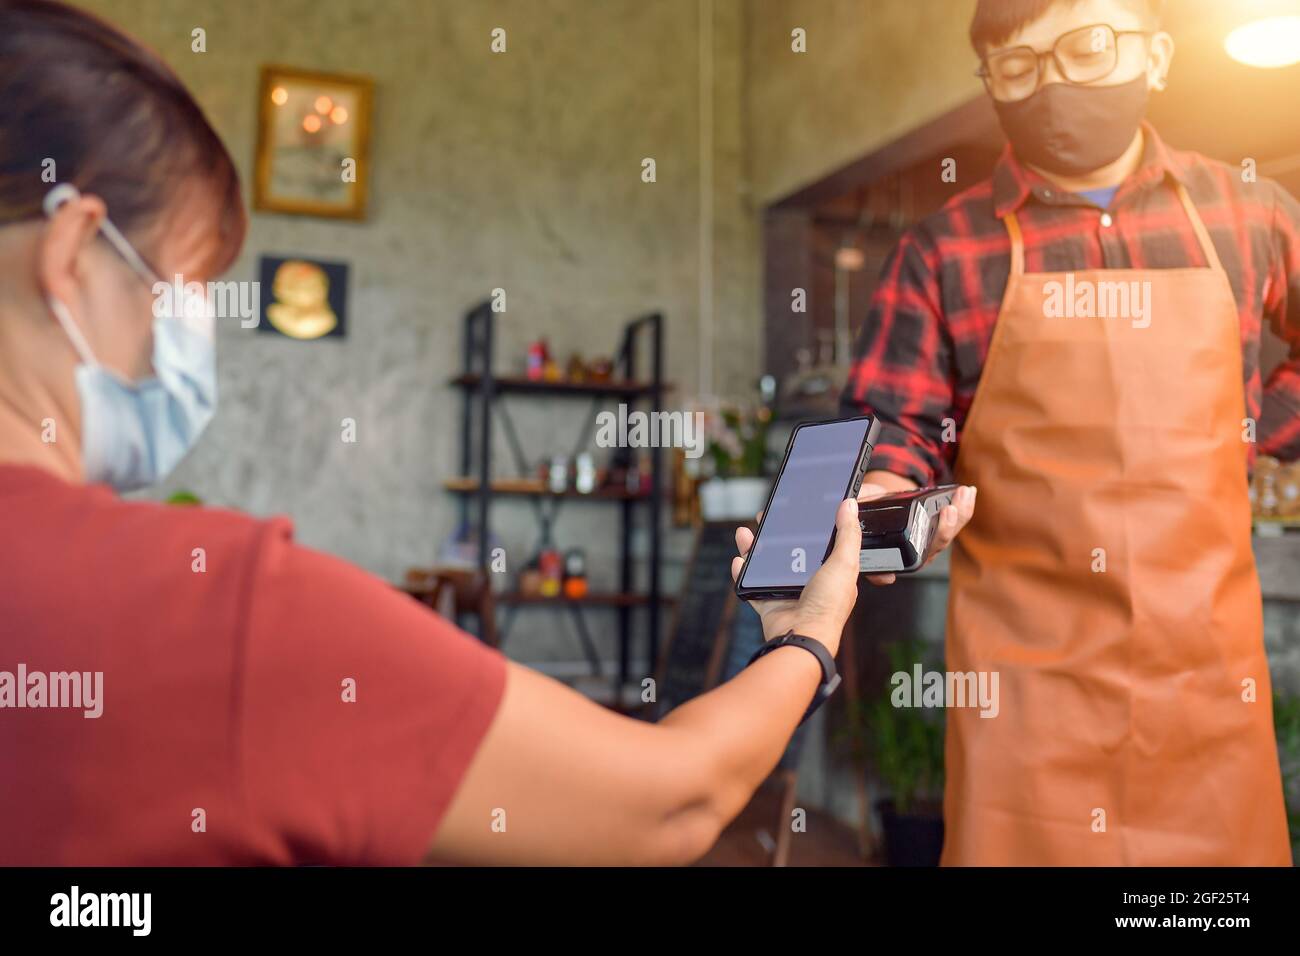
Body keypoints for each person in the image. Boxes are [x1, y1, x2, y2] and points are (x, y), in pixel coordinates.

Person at [0, 0, 976, 866]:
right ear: (77, 251)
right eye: (190, 289)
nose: (198, 334)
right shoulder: (215, 609)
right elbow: (668, 800)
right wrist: (803, 638)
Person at [842, 0, 1299, 865]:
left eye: (1087, 47)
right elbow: (894, 426)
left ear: (1156, 58)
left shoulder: (1252, 213)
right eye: (1018, 67)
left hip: (1206, 682)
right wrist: (886, 498)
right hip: (1026, 694)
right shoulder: (946, 248)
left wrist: (1250, 427)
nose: (1054, 83)